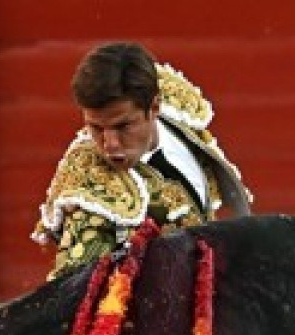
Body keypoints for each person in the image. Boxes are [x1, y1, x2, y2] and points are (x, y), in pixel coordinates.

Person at [32, 42, 252, 279]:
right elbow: (73, 295)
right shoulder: (90, 198)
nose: (110, 144)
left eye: (123, 126)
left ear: (155, 107)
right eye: (96, 128)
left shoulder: (177, 111)